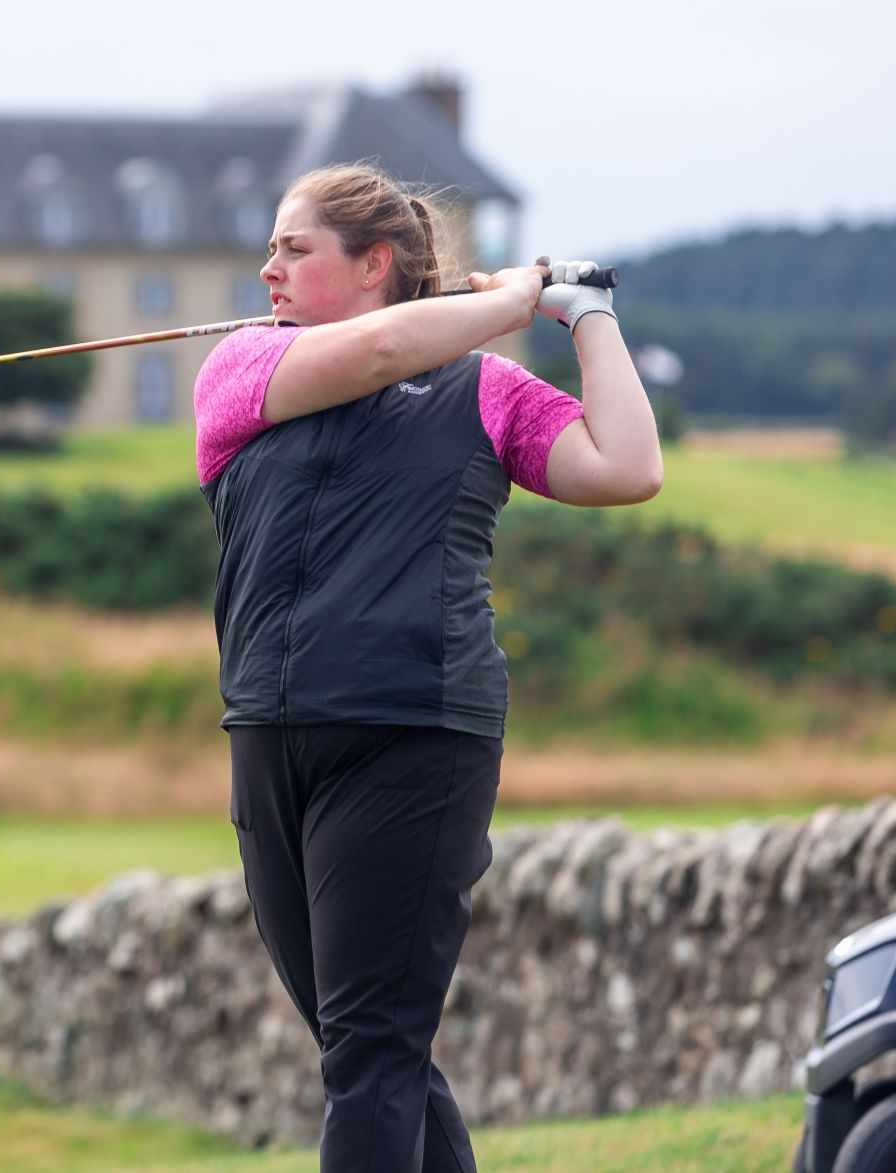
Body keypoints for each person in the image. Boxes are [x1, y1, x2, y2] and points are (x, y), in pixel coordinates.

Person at [193, 164, 663, 1171]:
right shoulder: (242, 367)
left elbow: (626, 468)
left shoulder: (485, 390)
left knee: (371, 1050)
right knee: (366, 1049)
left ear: (373, 264)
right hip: (269, 733)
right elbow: (378, 349)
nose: (268, 269)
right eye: (271, 249)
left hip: (414, 734)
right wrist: (506, 300)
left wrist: (585, 315)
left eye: (294, 249)